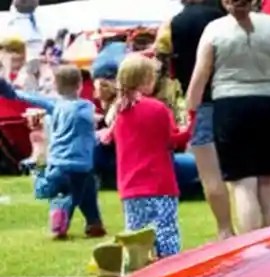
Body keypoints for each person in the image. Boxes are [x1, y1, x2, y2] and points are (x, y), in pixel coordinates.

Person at [185, 0, 270, 234]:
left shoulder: (214, 29)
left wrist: (190, 113)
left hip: (231, 106)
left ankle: (252, 249)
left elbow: (200, 76)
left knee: (242, 184)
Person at [97, 54, 191, 259]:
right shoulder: (157, 108)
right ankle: (168, 268)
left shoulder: (118, 111)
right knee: (166, 230)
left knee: (136, 234)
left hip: (130, 186)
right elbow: (173, 140)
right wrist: (193, 123)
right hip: (159, 183)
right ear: (147, 79)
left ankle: (133, 267)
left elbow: (108, 139)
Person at [0, 65, 105, 240]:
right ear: (80, 84)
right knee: (77, 192)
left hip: (57, 163)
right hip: (81, 164)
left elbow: (21, 95)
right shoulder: (87, 106)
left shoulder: (55, 105)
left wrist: (4, 86)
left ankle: (94, 223)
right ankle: (61, 213)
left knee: (85, 188)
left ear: (56, 86)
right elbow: (90, 121)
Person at [169, 0, 233, 240]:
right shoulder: (225, 17)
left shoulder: (177, 23)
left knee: (210, 173)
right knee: (242, 174)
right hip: (234, 97)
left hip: (201, 100)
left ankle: (225, 229)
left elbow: (172, 64)